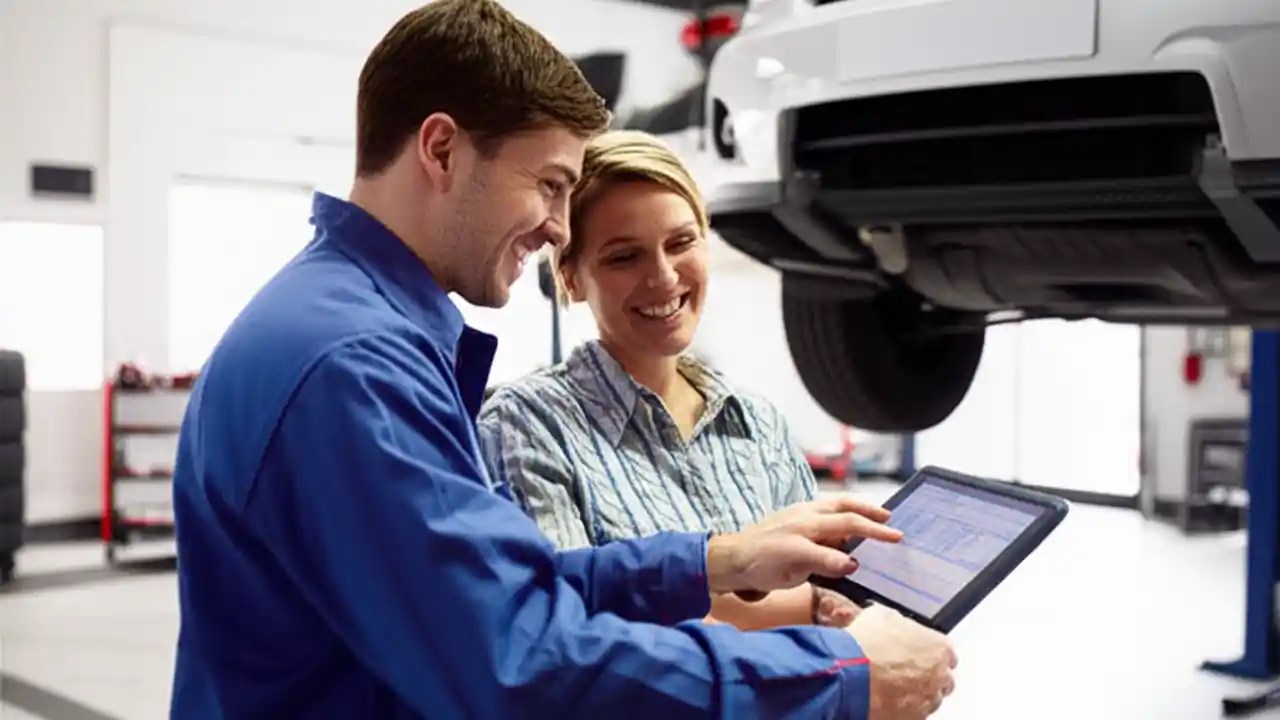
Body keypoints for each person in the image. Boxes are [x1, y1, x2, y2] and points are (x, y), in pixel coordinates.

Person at [168, 1, 957, 718]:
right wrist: (841, 676)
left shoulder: (342, 324)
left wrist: (714, 560)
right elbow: (520, 662)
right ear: (442, 149)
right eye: (549, 185)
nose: (555, 228)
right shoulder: (352, 366)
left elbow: (495, 593)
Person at [478, 130, 861, 631]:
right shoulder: (526, 424)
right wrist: (802, 609)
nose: (663, 277)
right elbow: (567, 627)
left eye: (681, 242)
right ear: (570, 278)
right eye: (623, 257)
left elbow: (820, 590)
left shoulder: (757, 425)